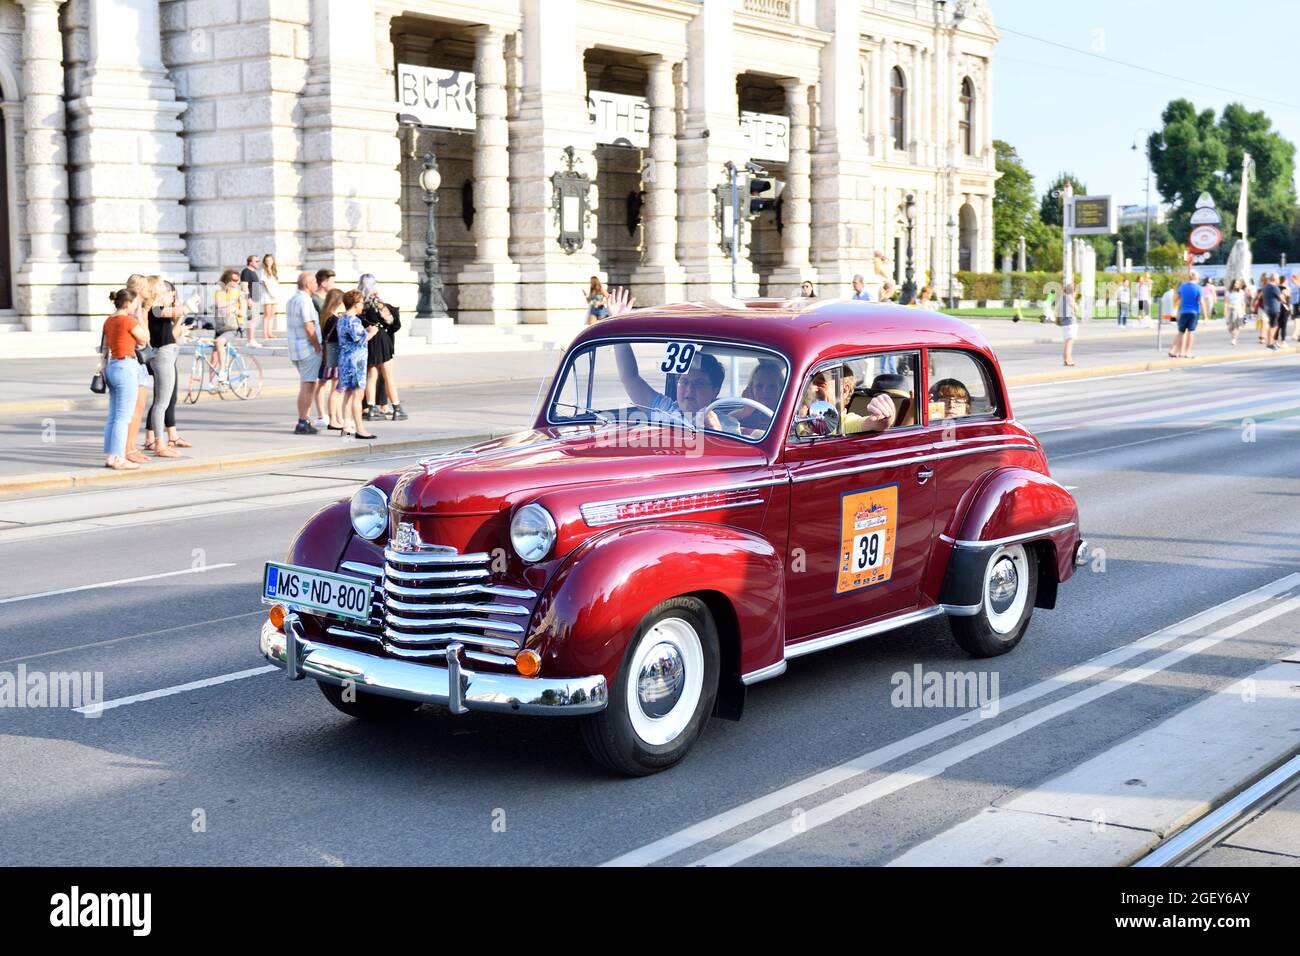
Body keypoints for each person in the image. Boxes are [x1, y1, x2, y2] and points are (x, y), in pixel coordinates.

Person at [102, 288, 150, 470]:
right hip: (126, 367)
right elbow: (145, 338)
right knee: (123, 417)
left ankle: (111, 456)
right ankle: (119, 457)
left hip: (112, 366)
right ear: (128, 304)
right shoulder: (128, 320)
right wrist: (139, 316)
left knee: (113, 415)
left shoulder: (109, 320)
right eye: (135, 304)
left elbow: (106, 347)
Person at [144, 279, 189, 457]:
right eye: (168, 292)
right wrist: (187, 305)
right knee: (161, 403)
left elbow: (172, 334)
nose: (172, 296)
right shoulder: (155, 309)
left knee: (164, 401)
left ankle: (160, 441)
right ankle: (158, 443)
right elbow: (183, 310)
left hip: (168, 354)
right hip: (162, 356)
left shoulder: (158, 310)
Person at [358, 274, 405, 421]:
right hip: (382, 339)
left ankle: (371, 409)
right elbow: (390, 320)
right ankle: (397, 408)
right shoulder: (377, 302)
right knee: (388, 376)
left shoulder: (361, 303)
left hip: (370, 341)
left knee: (372, 376)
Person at [336, 289, 378, 439]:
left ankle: (347, 426)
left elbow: (352, 336)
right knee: (357, 395)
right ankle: (360, 428)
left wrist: (365, 331)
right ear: (354, 304)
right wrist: (372, 332)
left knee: (348, 393)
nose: (362, 306)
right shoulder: (353, 320)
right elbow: (359, 339)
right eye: (361, 303)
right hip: (356, 361)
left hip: (345, 360)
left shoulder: (342, 318)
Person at [121, 274, 153, 464]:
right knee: (133, 408)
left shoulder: (140, 308)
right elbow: (145, 337)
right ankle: (127, 449)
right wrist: (141, 316)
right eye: (147, 287)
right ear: (140, 289)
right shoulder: (132, 311)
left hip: (139, 362)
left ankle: (131, 446)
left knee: (139, 406)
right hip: (131, 361)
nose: (150, 291)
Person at [285, 271, 322, 434]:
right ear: (308, 284)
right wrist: (317, 346)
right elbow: (309, 326)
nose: (317, 285)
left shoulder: (292, 299)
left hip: (296, 348)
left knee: (306, 384)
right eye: (315, 282)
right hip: (307, 349)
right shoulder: (305, 301)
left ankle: (304, 419)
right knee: (308, 385)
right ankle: (302, 421)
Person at [316, 288, 347, 431]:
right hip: (336, 354)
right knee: (337, 389)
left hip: (327, 353)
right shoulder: (335, 319)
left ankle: (336, 417)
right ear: (338, 301)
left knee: (331, 386)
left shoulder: (325, 316)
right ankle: (334, 419)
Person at [211, 269, 246, 381]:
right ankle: (210, 383)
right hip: (220, 327)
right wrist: (233, 302)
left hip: (232, 327)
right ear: (227, 280)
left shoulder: (240, 294)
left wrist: (234, 310)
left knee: (220, 343)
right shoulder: (219, 293)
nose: (237, 282)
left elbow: (243, 313)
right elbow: (219, 305)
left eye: (238, 280)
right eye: (234, 280)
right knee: (214, 357)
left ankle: (223, 371)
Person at [1169, 270, 1202, 358]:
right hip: (1194, 312)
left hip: (1183, 311)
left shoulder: (1182, 287)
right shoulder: (1198, 288)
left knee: (1181, 332)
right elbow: (1201, 301)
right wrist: (1206, 315)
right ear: (1196, 278)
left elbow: (1176, 298)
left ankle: (1174, 351)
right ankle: (1187, 352)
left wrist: (1175, 308)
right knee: (1190, 332)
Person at [240, 255, 262, 347]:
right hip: (251, 299)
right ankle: (250, 340)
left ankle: (251, 340)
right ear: (250, 262)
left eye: (259, 261)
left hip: (255, 299)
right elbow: (244, 286)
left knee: (253, 320)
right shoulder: (246, 272)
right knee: (251, 320)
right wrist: (248, 298)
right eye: (256, 261)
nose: (258, 263)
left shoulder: (253, 272)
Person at [258, 253, 280, 341]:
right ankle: (265, 333)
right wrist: (271, 293)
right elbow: (265, 283)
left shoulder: (274, 271)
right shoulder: (263, 271)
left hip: (274, 295)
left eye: (270, 260)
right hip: (267, 295)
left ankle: (270, 333)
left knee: (272, 315)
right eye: (267, 260)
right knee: (266, 315)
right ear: (264, 262)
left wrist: (275, 294)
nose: (269, 262)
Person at [1260, 272, 1283, 350]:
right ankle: (1269, 344)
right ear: (1275, 279)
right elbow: (1282, 299)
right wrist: (1284, 295)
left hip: (1268, 308)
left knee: (1273, 326)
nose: (1279, 280)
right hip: (1274, 309)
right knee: (1273, 326)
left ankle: (1270, 342)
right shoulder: (1274, 288)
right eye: (1278, 278)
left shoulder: (1266, 287)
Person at [1058, 282, 1079, 366]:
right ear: (1073, 291)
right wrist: (1074, 300)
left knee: (1067, 342)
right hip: (1071, 321)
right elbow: (1076, 308)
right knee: (1070, 342)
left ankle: (1066, 359)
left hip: (1064, 322)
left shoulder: (1062, 298)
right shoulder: (1070, 298)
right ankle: (1068, 360)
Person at [1224, 278, 1245, 346]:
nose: (1237, 285)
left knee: (1236, 325)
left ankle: (1234, 338)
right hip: (1230, 308)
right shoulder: (1228, 292)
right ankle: (1233, 334)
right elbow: (1226, 303)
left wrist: (1243, 312)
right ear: (1233, 284)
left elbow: (1242, 302)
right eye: (1236, 283)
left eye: (1238, 284)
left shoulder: (1241, 292)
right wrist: (1225, 312)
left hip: (1238, 309)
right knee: (1230, 327)